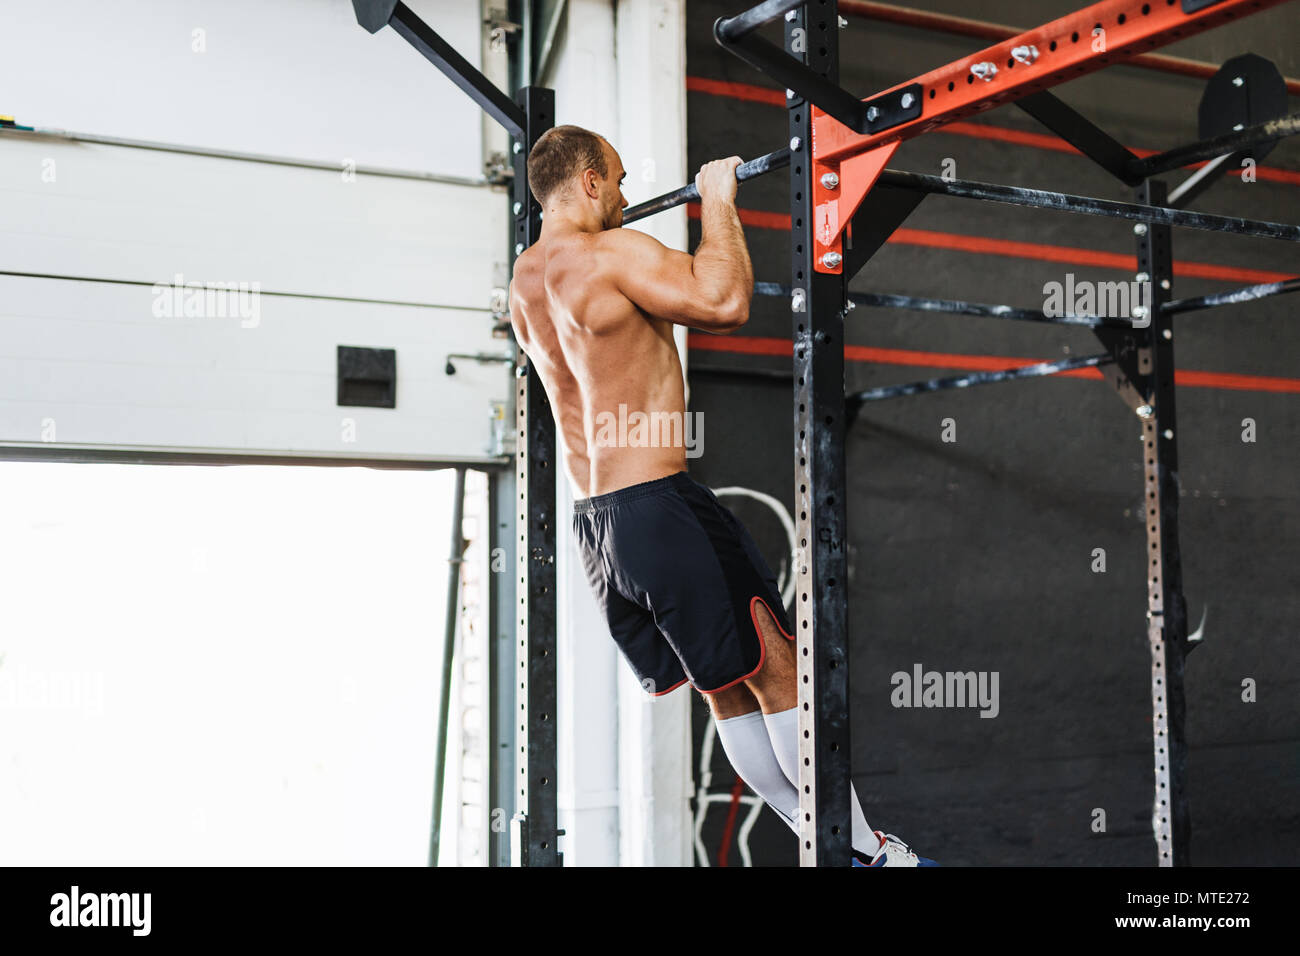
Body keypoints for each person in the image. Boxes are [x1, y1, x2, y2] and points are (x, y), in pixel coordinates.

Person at [507, 124, 934, 867]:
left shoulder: (523, 281)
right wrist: (718, 202)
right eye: (618, 179)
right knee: (776, 666)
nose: (628, 197)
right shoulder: (610, 253)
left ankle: (842, 847)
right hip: (659, 504)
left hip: (600, 530)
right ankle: (872, 854)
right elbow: (725, 299)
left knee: (728, 691)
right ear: (590, 182)